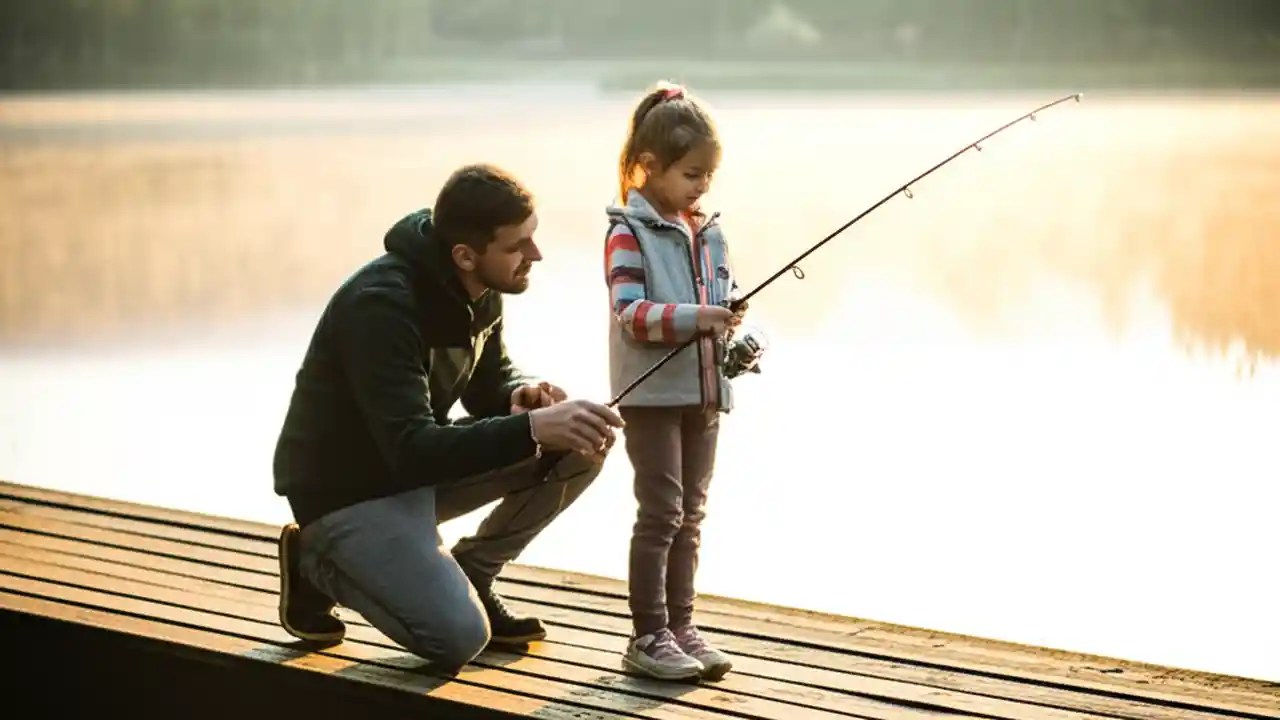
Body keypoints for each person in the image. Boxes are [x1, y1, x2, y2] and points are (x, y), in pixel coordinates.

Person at [272, 163, 625, 673]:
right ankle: (316, 563)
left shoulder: (478, 286)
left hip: (408, 470)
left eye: (533, 238)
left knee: (577, 446)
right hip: (348, 494)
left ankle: (475, 573)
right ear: (465, 255)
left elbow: (487, 382)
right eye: (517, 246)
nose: (536, 255)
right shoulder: (381, 308)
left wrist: (518, 394)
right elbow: (413, 449)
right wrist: (529, 430)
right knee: (459, 639)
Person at [603, 81, 751, 681]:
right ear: (647, 167)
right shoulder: (627, 232)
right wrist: (697, 319)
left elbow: (715, 299)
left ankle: (682, 625)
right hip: (654, 397)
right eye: (692, 174)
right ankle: (647, 636)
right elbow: (631, 313)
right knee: (660, 513)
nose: (702, 187)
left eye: (708, 177)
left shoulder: (708, 230)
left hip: (706, 394)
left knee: (691, 514)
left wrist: (728, 313)